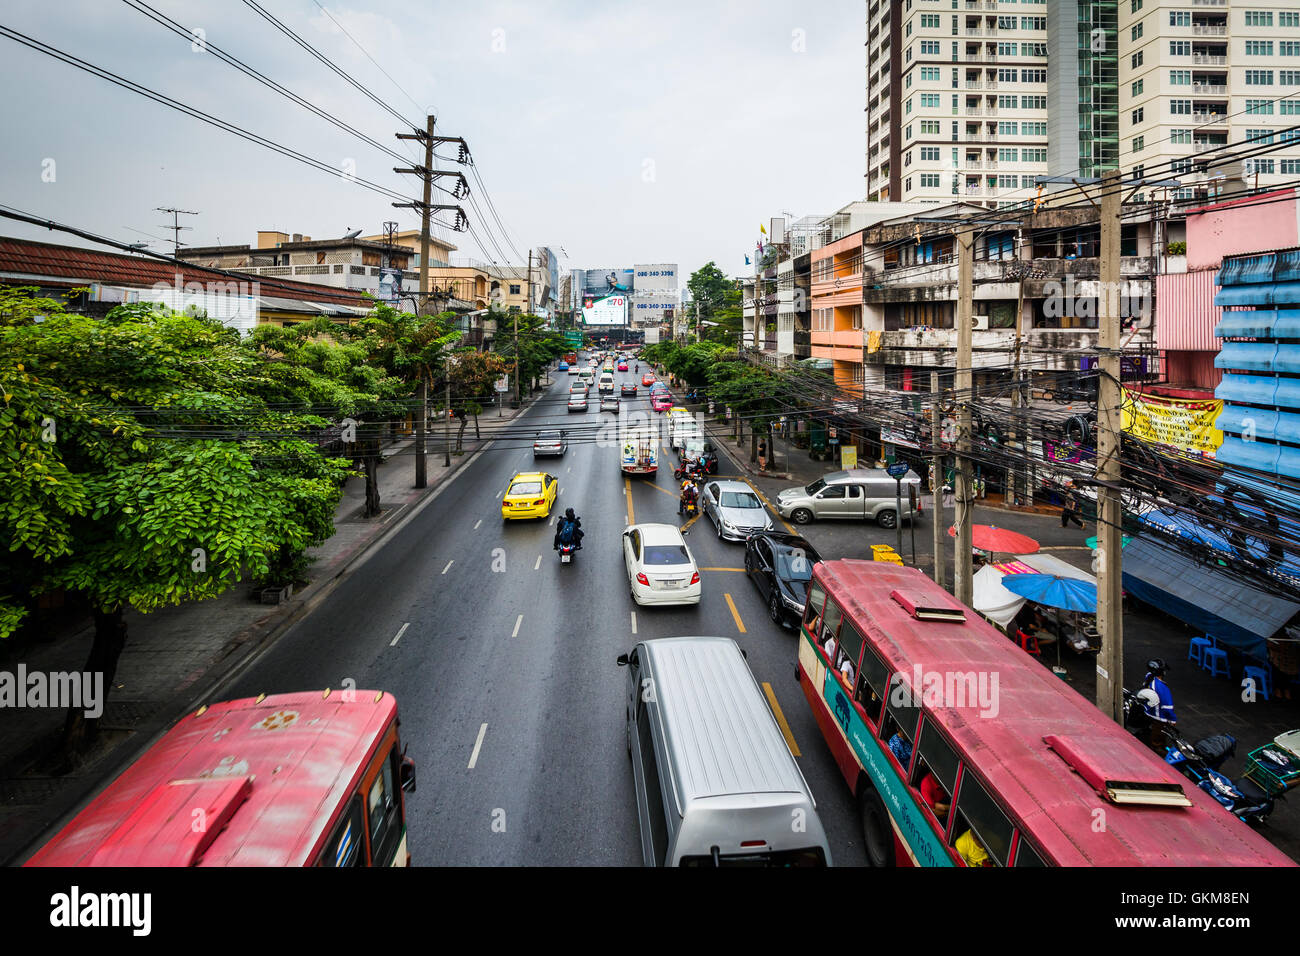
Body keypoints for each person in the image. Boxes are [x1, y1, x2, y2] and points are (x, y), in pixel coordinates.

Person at [1142, 658, 1177, 728]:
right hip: (1158, 718)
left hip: (1147, 712)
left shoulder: (1149, 677)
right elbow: (1167, 708)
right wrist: (1173, 720)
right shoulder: (1162, 688)